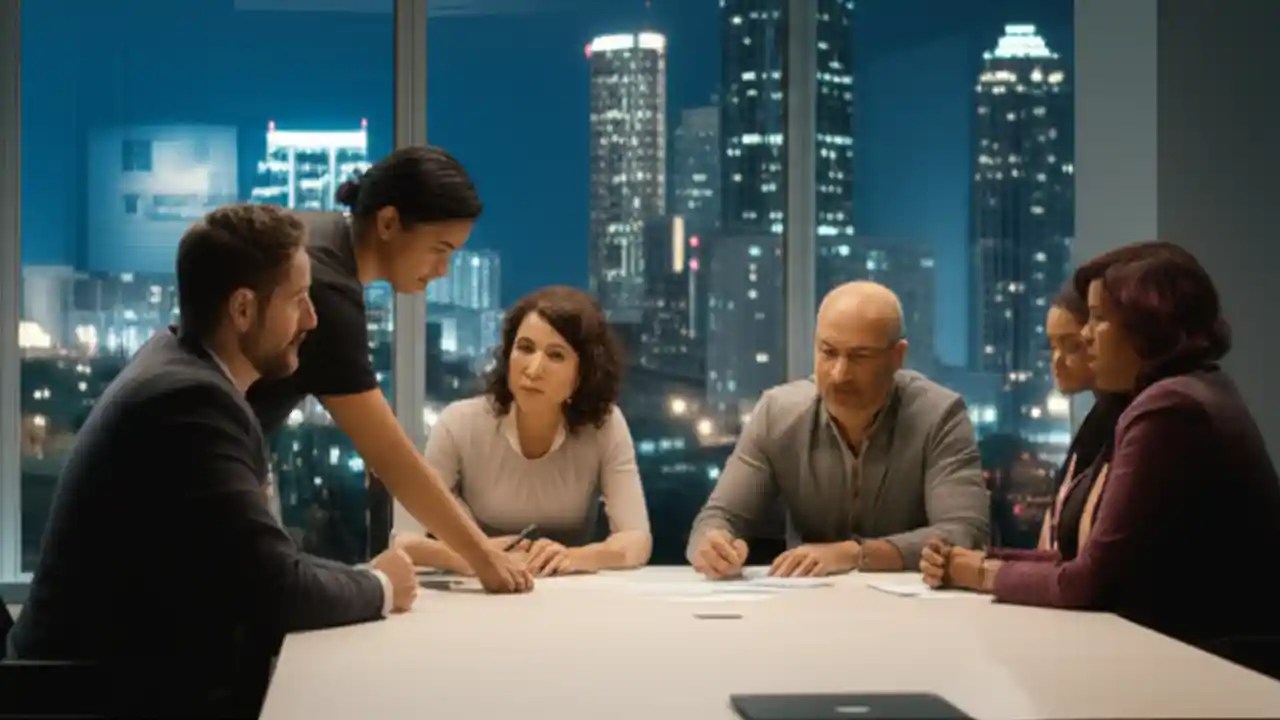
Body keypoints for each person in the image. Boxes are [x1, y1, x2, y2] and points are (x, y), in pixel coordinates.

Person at [7, 205, 419, 718]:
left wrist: (356, 577)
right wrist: (381, 587)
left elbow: (258, 559)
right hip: (103, 696)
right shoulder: (189, 404)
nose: (313, 319)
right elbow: (275, 588)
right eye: (297, 300)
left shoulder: (185, 371)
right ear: (243, 309)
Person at [920, 241, 1280, 651]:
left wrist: (981, 572)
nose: (1086, 337)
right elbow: (1087, 560)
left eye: (1097, 319)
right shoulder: (1182, 393)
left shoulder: (1169, 410)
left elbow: (1088, 583)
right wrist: (980, 561)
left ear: (1147, 327)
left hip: (1208, 669)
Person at [245, 146, 532, 593]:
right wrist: (481, 555)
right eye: (440, 250)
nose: (442, 270)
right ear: (388, 223)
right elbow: (389, 454)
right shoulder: (328, 291)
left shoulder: (315, 234)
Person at [687, 281, 989, 579]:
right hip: (807, 606)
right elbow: (718, 517)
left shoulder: (940, 415)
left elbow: (964, 531)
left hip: (919, 612)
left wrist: (855, 554)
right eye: (828, 352)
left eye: (860, 357)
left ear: (897, 356)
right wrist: (713, 544)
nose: (839, 373)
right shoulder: (776, 413)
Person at [393, 286, 652, 576]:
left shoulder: (605, 425)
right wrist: (476, 557)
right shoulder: (459, 423)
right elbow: (404, 542)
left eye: (556, 355)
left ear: (583, 374)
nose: (533, 369)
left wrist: (573, 557)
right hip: (477, 597)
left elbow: (636, 539)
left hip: (569, 598)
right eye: (525, 348)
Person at [993, 282, 1130, 562]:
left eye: (1072, 346)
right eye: (1052, 346)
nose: (1057, 361)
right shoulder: (1095, 424)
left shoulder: (1130, 425)